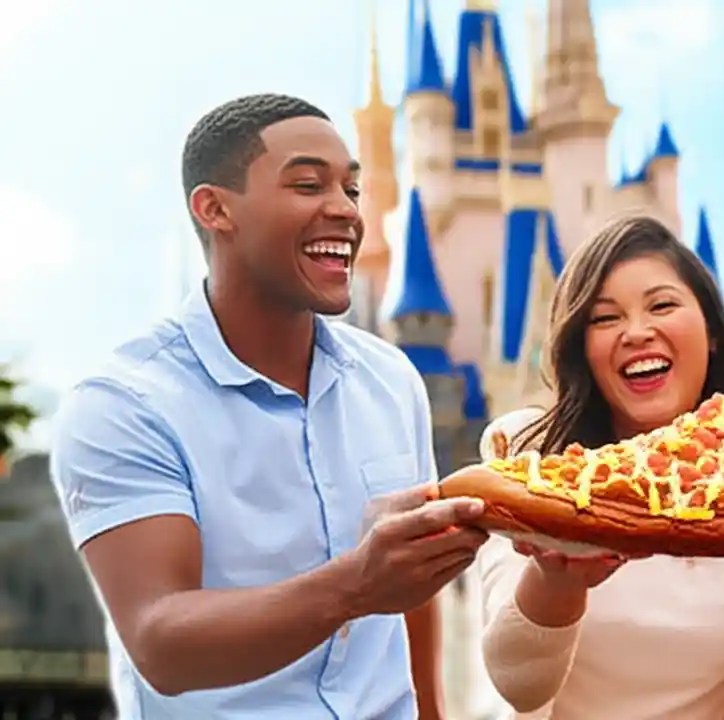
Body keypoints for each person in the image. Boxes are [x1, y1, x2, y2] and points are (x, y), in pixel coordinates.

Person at [47, 93, 485, 719]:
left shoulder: (391, 379)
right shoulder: (124, 405)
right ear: (215, 208)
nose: (344, 210)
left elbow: (413, 586)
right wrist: (358, 582)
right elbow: (161, 641)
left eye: (352, 190)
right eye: (307, 184)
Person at [471, 214, 724, 720]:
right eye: (605, 318)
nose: (637, 332)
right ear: (580, 346)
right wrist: (558, 580)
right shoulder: (527, 454)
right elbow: (518, 684)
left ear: (711, 331)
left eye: (662, 305)